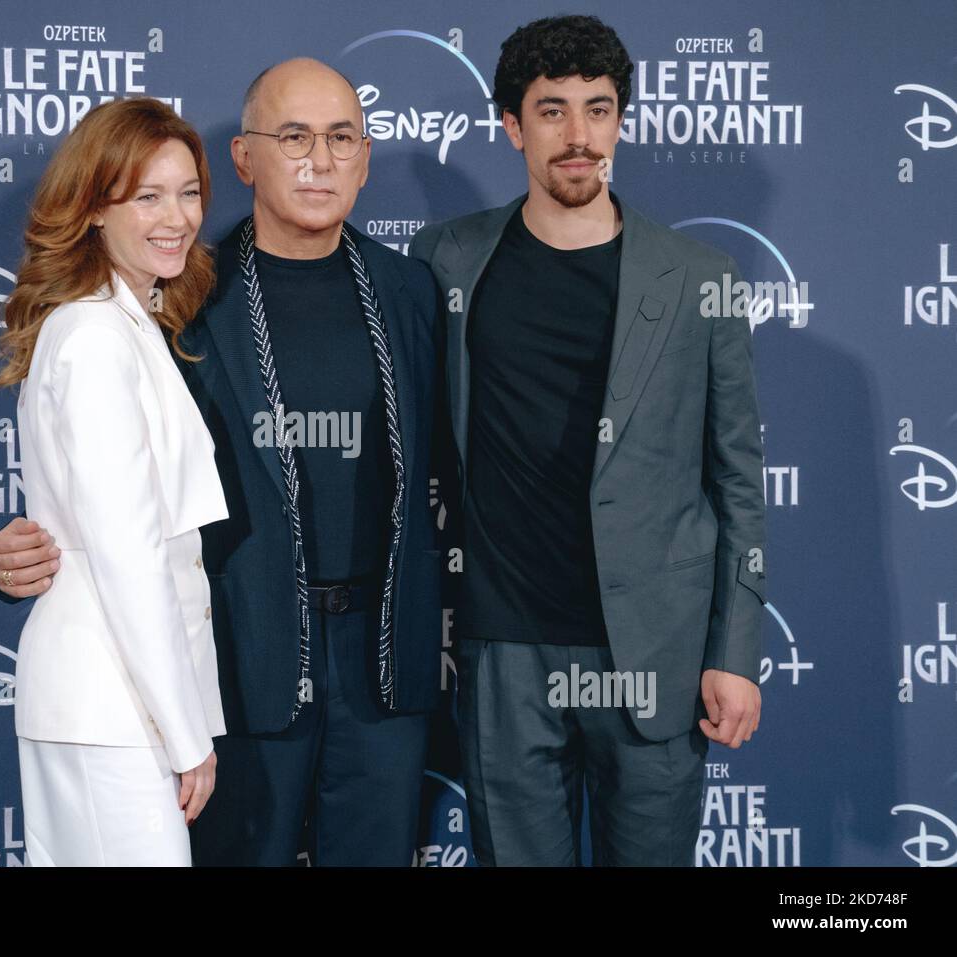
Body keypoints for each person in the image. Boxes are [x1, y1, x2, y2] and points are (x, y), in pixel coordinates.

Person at [0, 58, 444, 866]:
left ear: (367, 156)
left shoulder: (410, 291)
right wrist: (20, 555)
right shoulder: (185, 290)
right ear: (245, 158)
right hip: (234, 663)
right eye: (294, 136)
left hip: (382, 669)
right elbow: (106, 494)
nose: (320, 159)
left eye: (342, 137)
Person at [409, 14, 766, 866]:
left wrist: (736, 654)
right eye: (553, 110)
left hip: (656, 650)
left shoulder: (700, 280)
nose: (579, 136)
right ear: (511, 125)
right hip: (505, 650)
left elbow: (738, 477)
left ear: (620, 120)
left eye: (599, 110)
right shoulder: (448, 259)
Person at [0, 98, 228, 866]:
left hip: (114, 706)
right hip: (110, 705)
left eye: (188, 192)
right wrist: (187, 737)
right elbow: (130, 556)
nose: (177, 217)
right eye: (147, 195)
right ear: (93, 208)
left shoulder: (127, 323)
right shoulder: (93, 337)